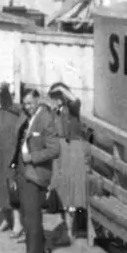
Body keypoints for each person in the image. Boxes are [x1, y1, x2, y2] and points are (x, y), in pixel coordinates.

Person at [14, 86, 60, 253]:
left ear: (38, 100)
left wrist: (32, 157)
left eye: (30, 103)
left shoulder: (45, 118)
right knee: (28, 213)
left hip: (35, 172)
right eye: (24, 104)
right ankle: (40, 248)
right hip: (25, 171)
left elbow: (54, 149)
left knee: (32, 215)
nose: (27, 107)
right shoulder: (30, 117)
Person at [48, 81, 87, 241]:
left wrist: (63, 89)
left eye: (58, 97)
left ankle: (70, 231)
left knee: (72, 191)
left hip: (73, 151)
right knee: (63, 190)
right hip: (61, 153)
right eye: (54, 97)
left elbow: (77, 101)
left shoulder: (72, 108)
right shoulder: (55, 112)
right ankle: (67, 228)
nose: (55, 100)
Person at [0, 82, 23, 234]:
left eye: (3, 98)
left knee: (13, 190)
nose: (1, 101)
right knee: (1, 189)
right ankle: (6, 219)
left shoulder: (17, 114)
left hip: (12, 158)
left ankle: (18, 224)